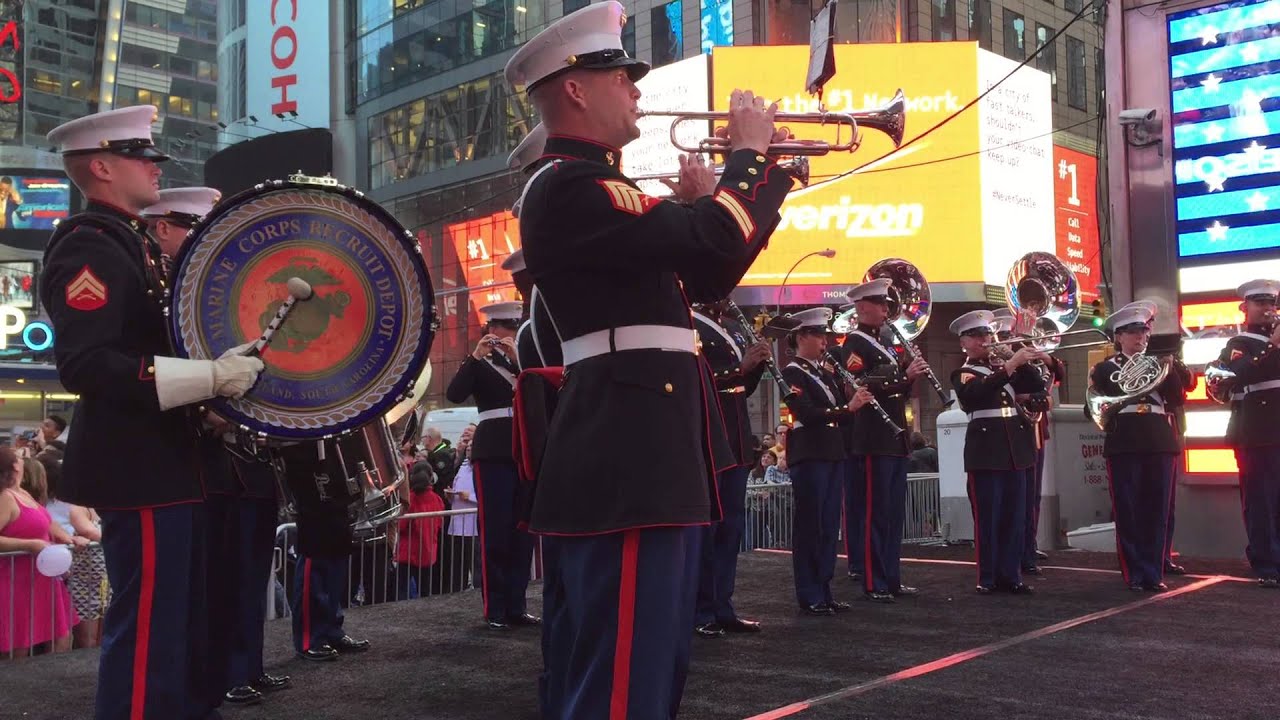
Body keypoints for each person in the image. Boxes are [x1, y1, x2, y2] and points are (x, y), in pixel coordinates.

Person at [504, 0, 793, 714]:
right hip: (630, 446)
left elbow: (709, 274)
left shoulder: (601, 187)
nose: (636, 90)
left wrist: (744, 185)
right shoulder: (573, 185)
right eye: (622, 77)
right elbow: (708, 246)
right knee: (624, 668)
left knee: (647, 657)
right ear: (575, 88)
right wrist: (748, 158)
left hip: (642, 439)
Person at [41, 105, 264, 720]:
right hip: (136, 462)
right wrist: (207, 377)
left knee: (181, 619)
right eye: (141, 157)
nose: (154, 167)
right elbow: (85, 363)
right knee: (148, 631)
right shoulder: (91, 247)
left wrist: (214, 390)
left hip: (167, 458)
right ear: (103, 166)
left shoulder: (131, 244)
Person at [445, 300, 538, 630]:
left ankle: (517, 605)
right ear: (491, 330)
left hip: (523, 450)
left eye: (514, 330)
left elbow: (540, 392)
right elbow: (454, 394)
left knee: (521, 532)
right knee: (495, 532)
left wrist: (519, 361)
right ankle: (495, 607)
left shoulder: (523, 364)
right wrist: (473, 356)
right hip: (493, 450)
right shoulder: (478, 365)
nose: (508, 336)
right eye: (504, 330)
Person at [1089, 301, 1192, 592]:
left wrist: (1170, 367)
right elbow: (1095, 406)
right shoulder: (1105, 368)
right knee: (1128, 508)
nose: (1141, 338)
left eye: (1144, 332)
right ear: (1118, 337)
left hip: (1159, 437)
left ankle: (1153, 570)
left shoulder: (1162, 364)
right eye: (1133, 333)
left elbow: (1179, 395)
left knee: (1156, 509)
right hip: (1125, 438)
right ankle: (1134, 571)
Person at [777, 308, 872, 616]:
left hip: (831, 452)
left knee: (829, 525)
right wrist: (848, 408)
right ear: (801, 337)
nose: (824, 342)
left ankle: (825, 588)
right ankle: (809, 592)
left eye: (824, 335)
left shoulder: (823, 373)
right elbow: (805, 413)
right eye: (818, 335)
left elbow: (838, 413)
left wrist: (849, 397)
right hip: (810, 451)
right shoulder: (791, 372)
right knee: (811, 525)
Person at [838, 279, 928, 602]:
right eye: (881, 304)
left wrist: (907, 371)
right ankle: (874, 580)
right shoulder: (855, 343)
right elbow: (857, 384)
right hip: (874, 438)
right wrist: (903, 375)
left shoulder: (886, 344)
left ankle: (891, 577)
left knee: (892, 513)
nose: (887, 309)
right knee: (875, 512)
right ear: (863, 307)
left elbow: (893, 387)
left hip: (895, 437)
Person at [949, 309, 1047, 595]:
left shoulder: (1003, 367)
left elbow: (1036, 385)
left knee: (1014, 515)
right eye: (977, 336)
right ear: (964, 342)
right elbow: (973, 396)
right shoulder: (963, 372)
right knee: (989, 517)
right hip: (986, 451)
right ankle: (988, 576)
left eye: (987, 334)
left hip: (1014, 449)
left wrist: (1018, 358)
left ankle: (1011, 574)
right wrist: (1008, 366)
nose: (985, 340)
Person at [691, 300, 770, 637]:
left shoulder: (730, 328)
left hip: (736, 439)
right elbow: (697, 377)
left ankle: (723, 606)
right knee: (709, 529)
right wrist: (741, 365)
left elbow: (741, 389)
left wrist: (754, 369)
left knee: (730, 529)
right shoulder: (689, 322)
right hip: (711, 438)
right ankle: (701, 610)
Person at [1216, 279, 1280, 588]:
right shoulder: (1239, 344)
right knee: (1261, 501)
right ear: (1245, 308)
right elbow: (1242, 375)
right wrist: (1273, 345)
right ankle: (1266, 562)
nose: (1269, 309)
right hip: (1257, 431)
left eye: (1272, 303)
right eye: (1261, 303)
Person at [992, 307, 1064, 574]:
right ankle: (1016, 550)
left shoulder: (1032, 358)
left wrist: (1039, 354)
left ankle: (1028, 545)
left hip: (1035, 430)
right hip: (1014, 431)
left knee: (1032, 495)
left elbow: (1055, 376)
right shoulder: (999, 358)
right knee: (1018, 496)